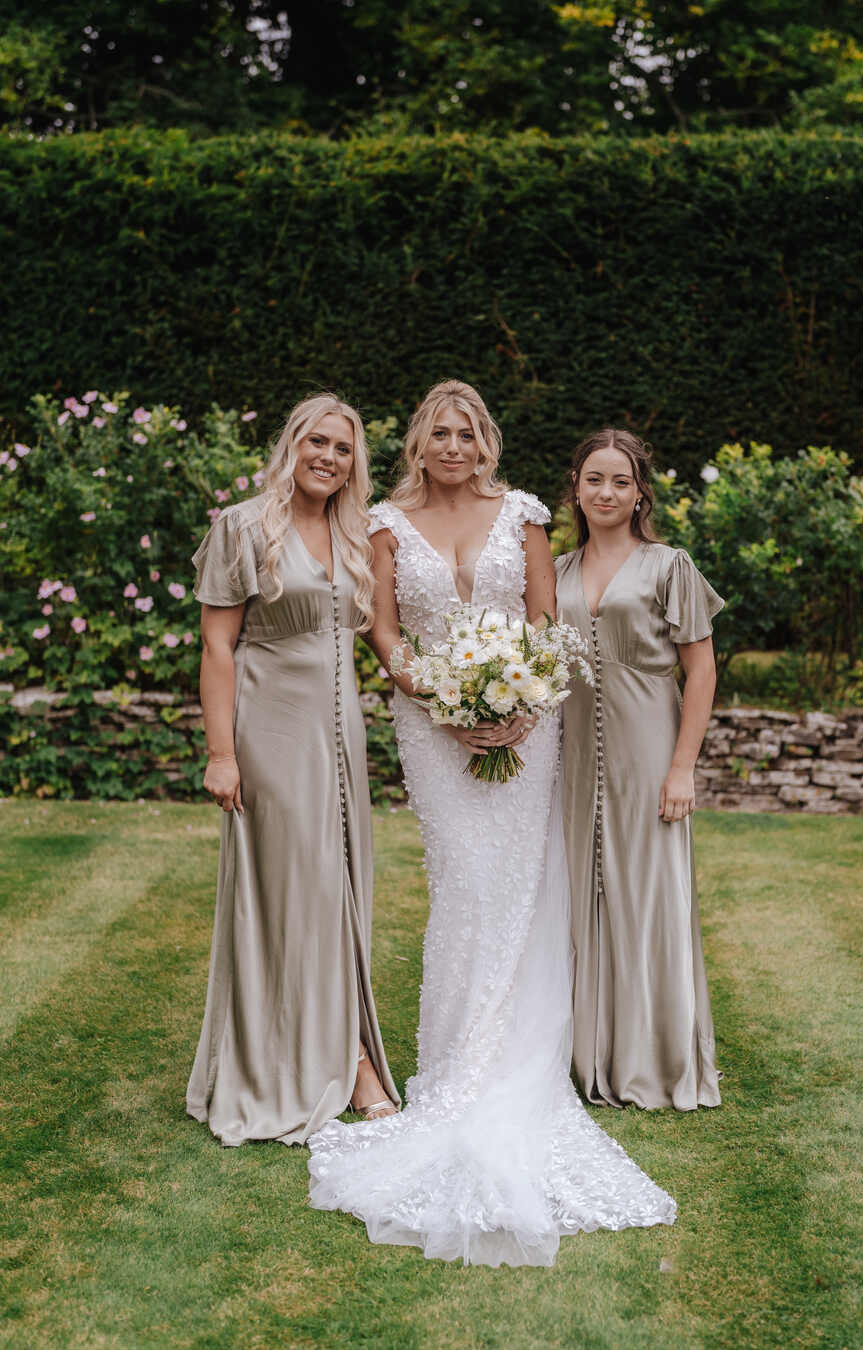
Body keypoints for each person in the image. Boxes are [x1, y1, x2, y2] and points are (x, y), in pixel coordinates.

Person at [307, 380, 675, 1266]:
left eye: (468, 431)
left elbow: (545, 621)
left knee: (517, 884)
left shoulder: (524, 514)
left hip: (526, 720)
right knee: (463, 884)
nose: (455, 445)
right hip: (431, 730)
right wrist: (440, 697)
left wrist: (521, 699)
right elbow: (384, 632)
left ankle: (514, 1067)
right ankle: (455, 1070)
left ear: (487, 441)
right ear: (418, 442)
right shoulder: (388, 522)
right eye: (440, 431)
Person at [186, 392, 399, 1147]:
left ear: (354, 463)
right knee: (292, 892)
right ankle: (336, 1065)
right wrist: (221, 752)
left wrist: (463, 693)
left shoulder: (354, 532)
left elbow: (382, 643)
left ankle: (344, 1053)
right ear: (292, 444)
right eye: (317, 442)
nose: (328, 458)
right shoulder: (243, 527)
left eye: (342, 449)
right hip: (270, 732)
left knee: (338, 890)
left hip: (339, 738)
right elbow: (217, 648)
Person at [555, 429, 723, 1112]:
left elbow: (702, 669)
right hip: (571, 757)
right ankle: (585, 1057)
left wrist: (682, 767)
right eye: (595, 479)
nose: (606, 492)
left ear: (640, 493)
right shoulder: (557, 571)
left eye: (621, 481)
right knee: (579, 899)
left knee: (648, 895)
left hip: (649, 746)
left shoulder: (667, 565)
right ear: (576, 487)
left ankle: (653, 1058)